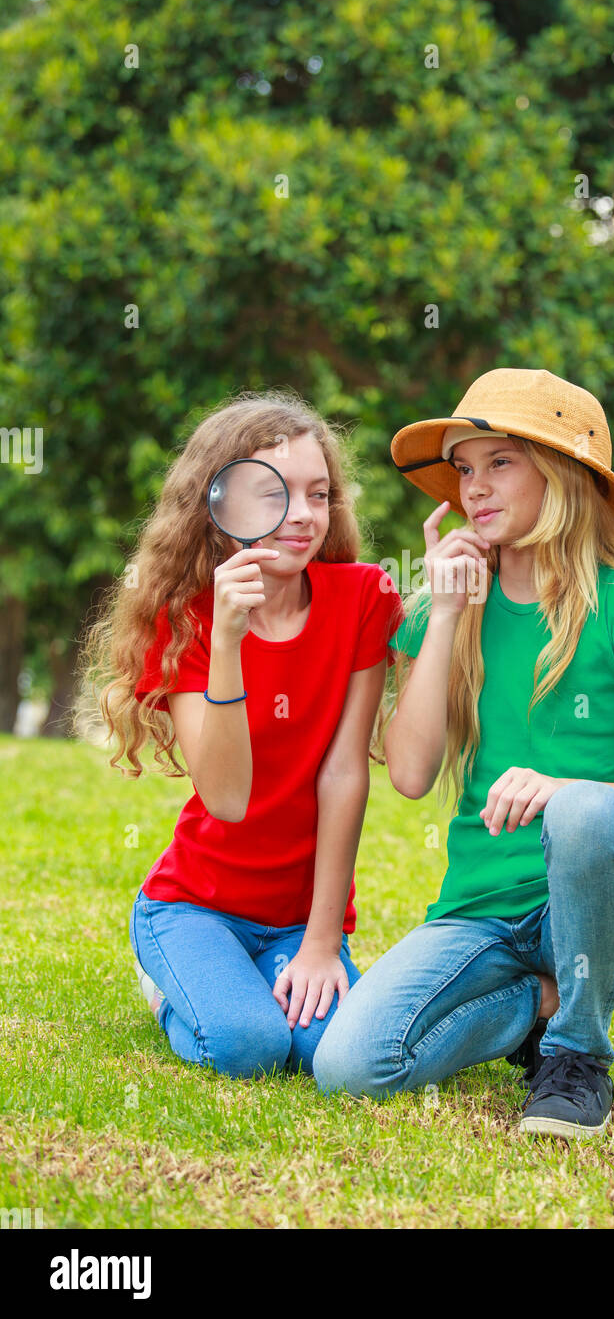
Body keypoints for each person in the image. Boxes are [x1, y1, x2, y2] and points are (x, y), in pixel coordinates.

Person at [313, 367, 614, 1139]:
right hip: (481, 912)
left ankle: (578, 1056)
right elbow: (413, 774)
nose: (472, 489)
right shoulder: (444, 610)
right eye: (463, 469)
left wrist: (561, 788)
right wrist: (449, 609)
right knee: (347, 1066)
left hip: (599, 905)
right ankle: (539, 1005)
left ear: (563, 475)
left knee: (588, 806)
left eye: (499, 463)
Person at [75, 390, 403, 1079]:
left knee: (325, 1054)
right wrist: (226, 642)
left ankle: (260, 969)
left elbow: (344, 772)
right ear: (217, 505)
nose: (304, 515)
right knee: (251, 1048)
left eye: (320, 494)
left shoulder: (365, 598)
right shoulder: (187, 620)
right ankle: (169, 981)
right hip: (196, 905)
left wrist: (321, 942)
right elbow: (226, 798)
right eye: (273, 494)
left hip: (297, 919)